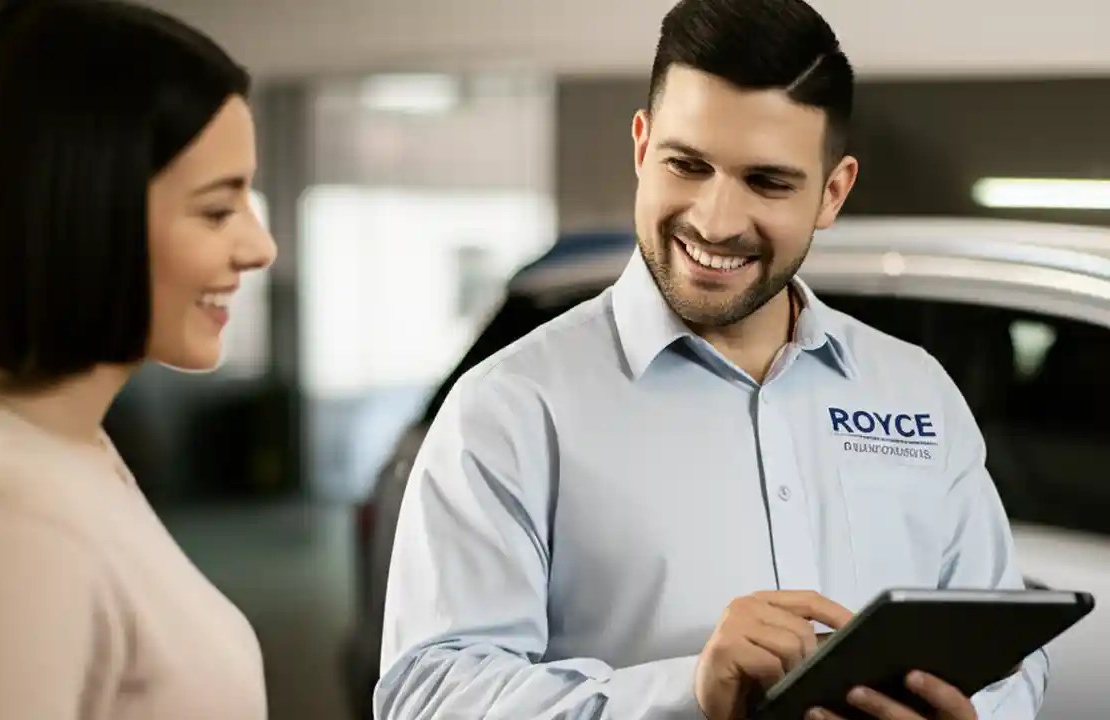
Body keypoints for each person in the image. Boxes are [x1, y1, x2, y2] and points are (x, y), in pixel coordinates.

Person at [375, 1, 1048, 718]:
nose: (716, 221)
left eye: (768, 182)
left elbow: (1008, 659)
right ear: (642, 149)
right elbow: (430, 696)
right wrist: (691, 694)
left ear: (832, 193)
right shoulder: (510, 408)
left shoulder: (916, 392)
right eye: (688, 165)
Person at [0, 2, 276, 719]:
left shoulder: (47, 446)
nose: (259, 248)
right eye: (216, 210)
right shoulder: (8, 524)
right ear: (87, 212)